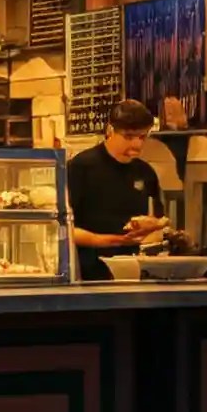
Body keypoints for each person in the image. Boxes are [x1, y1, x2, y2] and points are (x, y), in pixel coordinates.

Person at [67, 100, 164, 281]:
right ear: (110, 130)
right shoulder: (82, 167)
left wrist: (152, 228)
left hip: (137, 270)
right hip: (90, 272)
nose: (136, 144)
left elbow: (158, 224)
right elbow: (65, 229)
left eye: (142, 137)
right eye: (128, 136)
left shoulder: (145, 172)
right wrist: (110, 240)